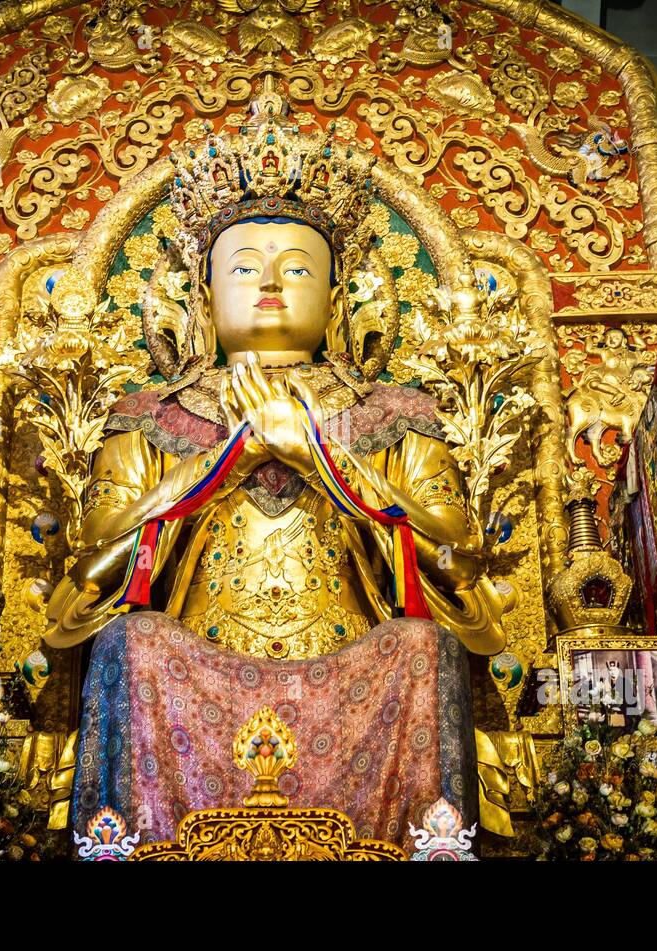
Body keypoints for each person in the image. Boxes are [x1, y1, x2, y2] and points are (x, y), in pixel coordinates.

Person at [43, 90, 506, 847]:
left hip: (354, 677)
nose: (268, 284)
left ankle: (425, 841)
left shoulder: (392, 412)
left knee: (424, 648)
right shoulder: (148, 416)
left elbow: (457, 555)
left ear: (336, 294)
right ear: (203, 290)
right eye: (244, 267)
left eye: (296, 268)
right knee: (132, 644)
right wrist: (229, 458)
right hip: (197, 677)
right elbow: (92, 567)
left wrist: (314, 452)